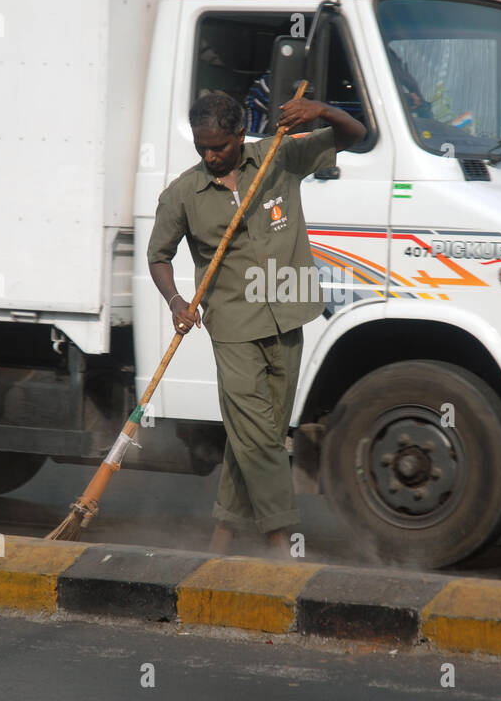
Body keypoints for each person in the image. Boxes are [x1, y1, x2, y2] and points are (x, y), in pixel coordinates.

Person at [147, 91, 366, 556]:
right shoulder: (184, 193)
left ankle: (223, 533)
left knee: (257, 434)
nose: (210, 155)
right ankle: (281, 539)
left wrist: (321, 110)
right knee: (260, 434)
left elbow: (356, 135)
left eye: (219, 146)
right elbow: (158, 256)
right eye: (202, 147)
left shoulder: (279, 157)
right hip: (231, 326)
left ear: (240, 135)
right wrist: (174, 300)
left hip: (289, 312)